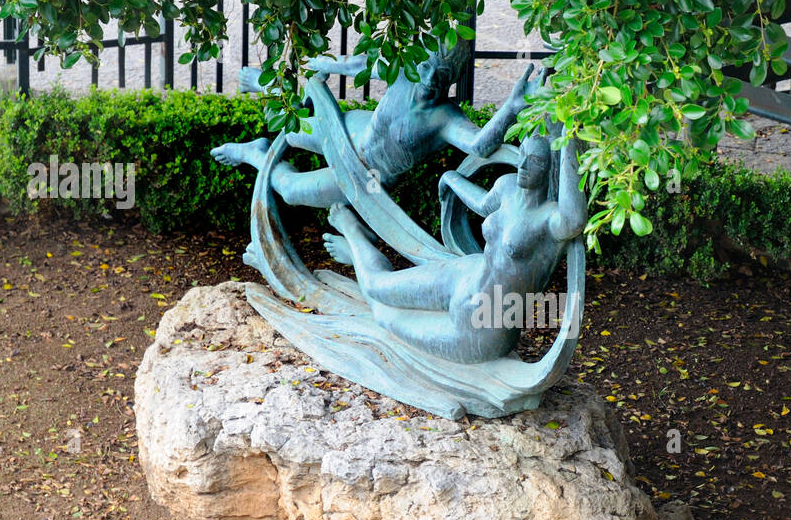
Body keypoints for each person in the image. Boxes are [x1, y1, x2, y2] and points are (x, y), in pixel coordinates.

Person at [319, 134, 585, 364]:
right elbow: (482, 204)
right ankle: (355, 237)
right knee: (377, 286)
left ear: (550, 167)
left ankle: (354, 245)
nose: (524, 165)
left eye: (536, 161)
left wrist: (569, 140)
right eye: (523, 154)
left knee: (383, 315)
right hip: (464, 275)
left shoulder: (551, 220)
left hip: (481, 328)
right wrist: (452, 179)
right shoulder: (506, 187)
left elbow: (574, 219)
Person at [211, 42, 540, 209]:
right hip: (347, 130)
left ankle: (255, 153)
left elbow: (480, 145)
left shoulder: (445, 118)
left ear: (450, 81)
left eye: (439, 76)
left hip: (366, 174)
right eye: (425, 68)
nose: (428, 80)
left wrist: (512, 107)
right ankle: (270, 88)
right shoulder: (403, 73)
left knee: (291, 191)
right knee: (294, 126)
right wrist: (327, 64)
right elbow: (361, 66)